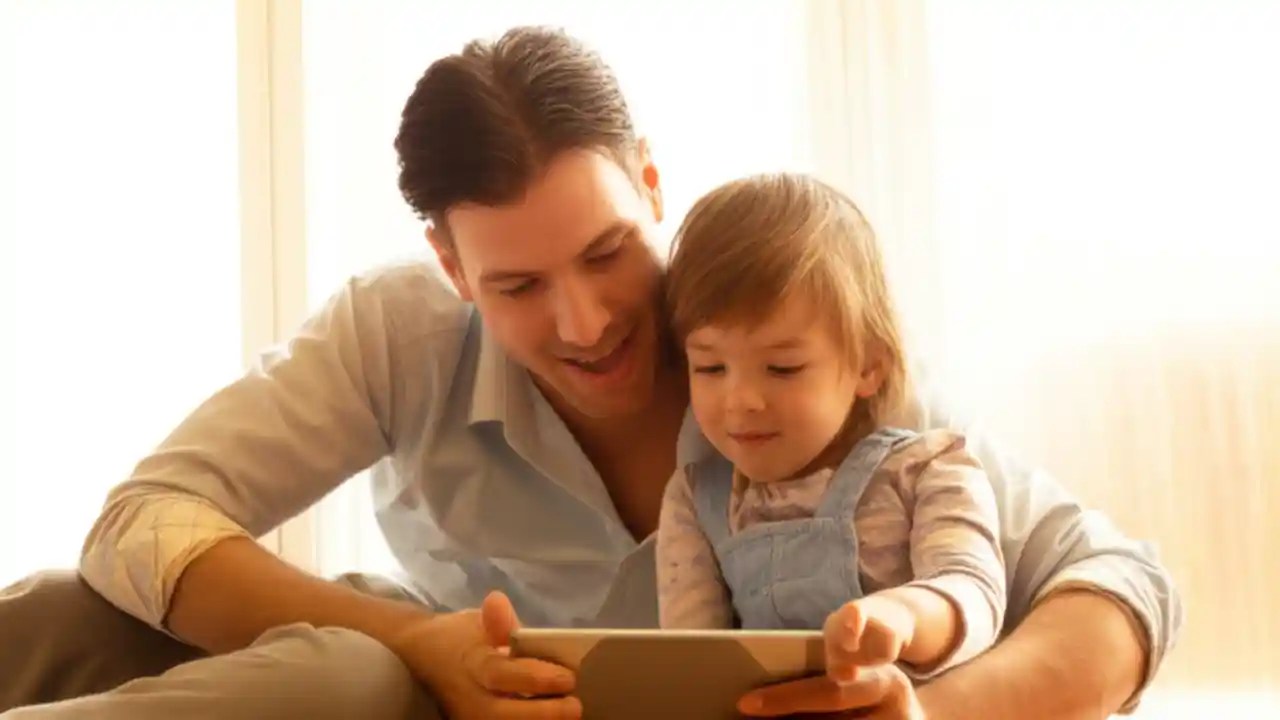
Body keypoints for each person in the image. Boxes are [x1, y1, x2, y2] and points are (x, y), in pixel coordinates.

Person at [0, 25, 1179, 720]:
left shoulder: (784, 343)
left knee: (342, 682)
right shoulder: (394, 328)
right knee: (70, 611)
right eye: (513, 286)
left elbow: (1121, 587)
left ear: (651, 185)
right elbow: (143, 523)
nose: (587, 321)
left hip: (426, 703)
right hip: (423, 652)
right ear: (448, 263)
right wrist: (420, 642)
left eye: (610, 251)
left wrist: (935, 714)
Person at [656, 174, 1006, 694]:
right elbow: (693, 663)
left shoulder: (927, 468)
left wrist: (904, 616)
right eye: (709, 368)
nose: (740, 400)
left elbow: (975, 591)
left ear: (868, 366)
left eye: (782, 368)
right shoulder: (696, 500)